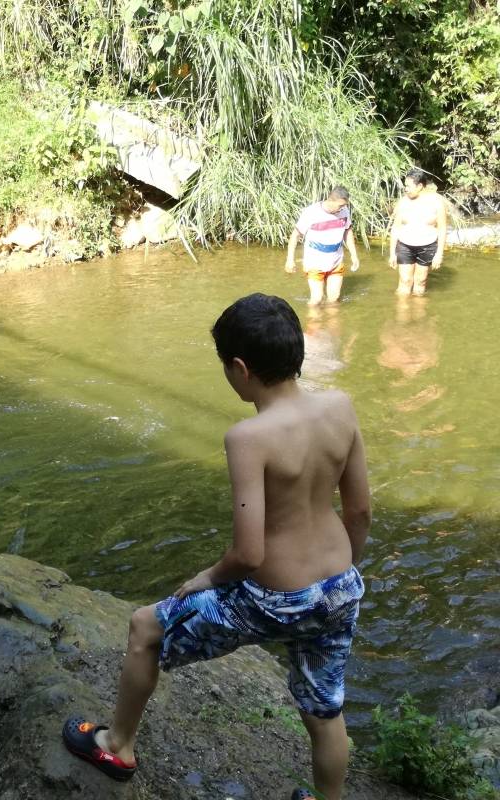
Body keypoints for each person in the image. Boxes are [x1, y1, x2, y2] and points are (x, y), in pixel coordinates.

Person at [62, 294, 371, 800]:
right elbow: (359, 512)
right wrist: (342, 573)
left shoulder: (249, 437)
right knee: (324, 710)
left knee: (145, 627)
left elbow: (248, 554)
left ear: (240, 368)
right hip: (339, 587)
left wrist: (206, 577)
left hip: (274, 598)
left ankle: (117, 746)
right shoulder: (340, 406)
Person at [285, 187, 360, 306]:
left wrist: (354, 255)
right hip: (315, 261)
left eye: (344, 206)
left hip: (336, 260)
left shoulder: (344, 210)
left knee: (334, 299)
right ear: (331, 200)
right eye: (340, 206)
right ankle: (310, 324)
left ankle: (331, 324)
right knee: (316, 300)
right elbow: (295, 235)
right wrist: (290, 260)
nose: (342, 208)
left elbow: (348, 231)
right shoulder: (311, 212)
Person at [389, 168, 448, 297]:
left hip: (427, 246)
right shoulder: (403, 202)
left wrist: (439, 254)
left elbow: (442, 228)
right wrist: (392, 253)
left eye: (408, 186)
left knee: (420, 282)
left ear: (420, 186)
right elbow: (396, 228)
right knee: (405, 281)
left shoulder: (436, 203)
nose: (405, 189)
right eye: (405, 186)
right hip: (405, 245)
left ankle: (418, 315)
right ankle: (401, 314)